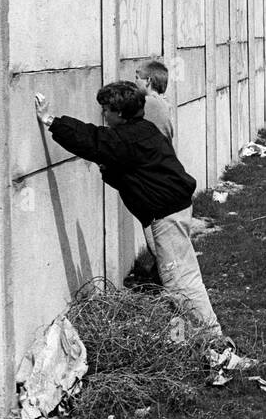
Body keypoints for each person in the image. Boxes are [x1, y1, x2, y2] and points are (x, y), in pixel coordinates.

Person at [34, 81, 231, 355]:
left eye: (106, 109)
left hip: (166, 216)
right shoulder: (142, 130)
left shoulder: (128, 137)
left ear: (119, 113)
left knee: (181, 282)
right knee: (173, 278)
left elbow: (92, 140)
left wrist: (51, 120)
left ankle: (215, 345)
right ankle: (184, 340)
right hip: (170, 211)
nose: (103, 114)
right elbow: (119, 162)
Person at [129, 59, 174, 289]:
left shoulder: (150, 105)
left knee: (156, 241)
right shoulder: (160, 103)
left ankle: (171, 289)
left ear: (147, 81)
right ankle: (163, 282)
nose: (133, 80)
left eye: (137, 76)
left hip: (152, 180)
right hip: (161, 177)